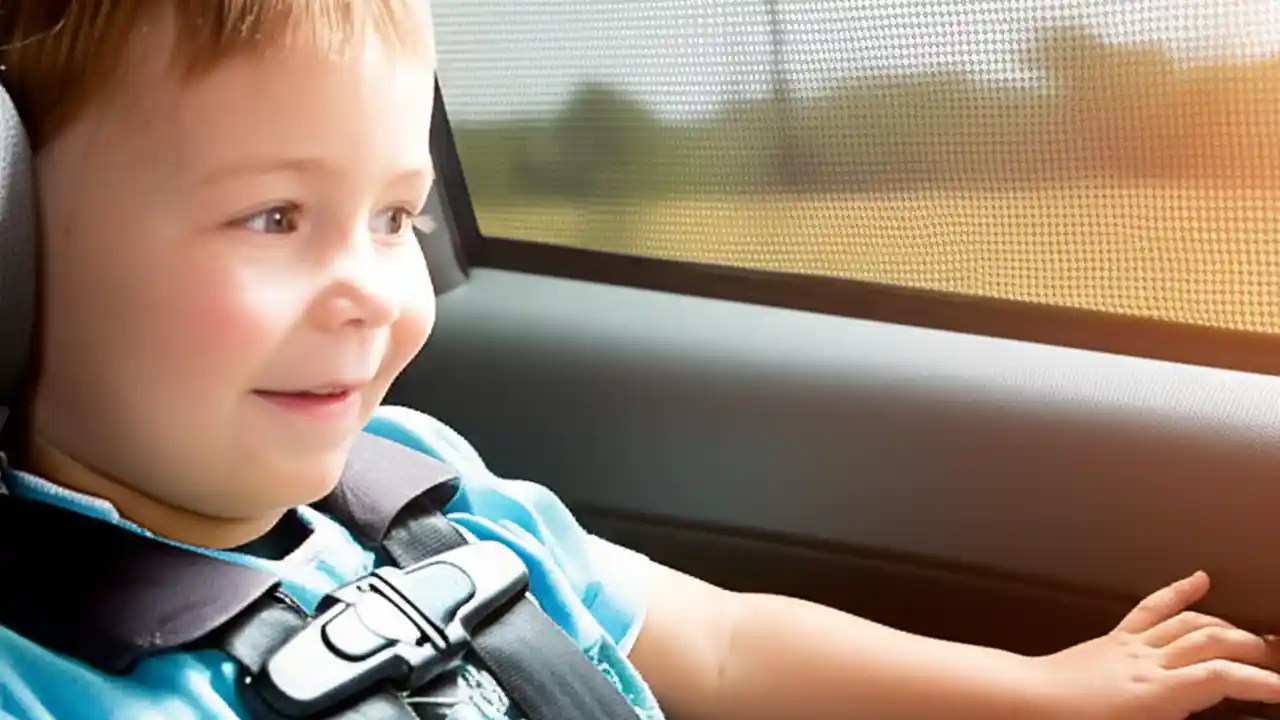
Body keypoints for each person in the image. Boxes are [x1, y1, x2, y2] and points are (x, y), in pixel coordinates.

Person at [0, 2, 1277, 719]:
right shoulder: (42, 679)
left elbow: (714, 643)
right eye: (273, 217)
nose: (374, 293)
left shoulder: (418, 487)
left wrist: (1033, 689)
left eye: (396, 216)